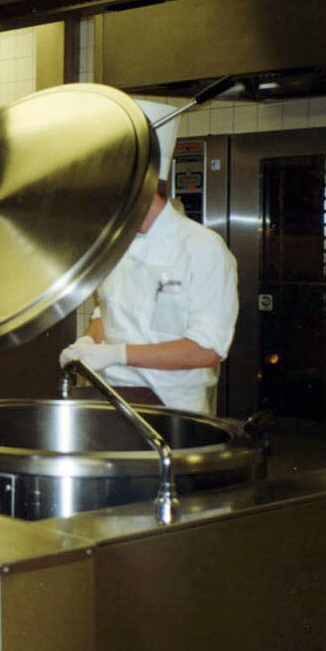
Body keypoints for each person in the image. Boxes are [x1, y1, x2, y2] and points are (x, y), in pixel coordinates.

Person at [59, 99, 238, 415]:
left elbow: (205, 350)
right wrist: (88, 342)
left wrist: (118, 354)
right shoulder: (116, 246)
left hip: (174, 408)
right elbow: (108, 314)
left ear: (141, 188)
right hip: (111, 397)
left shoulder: (202, 248)